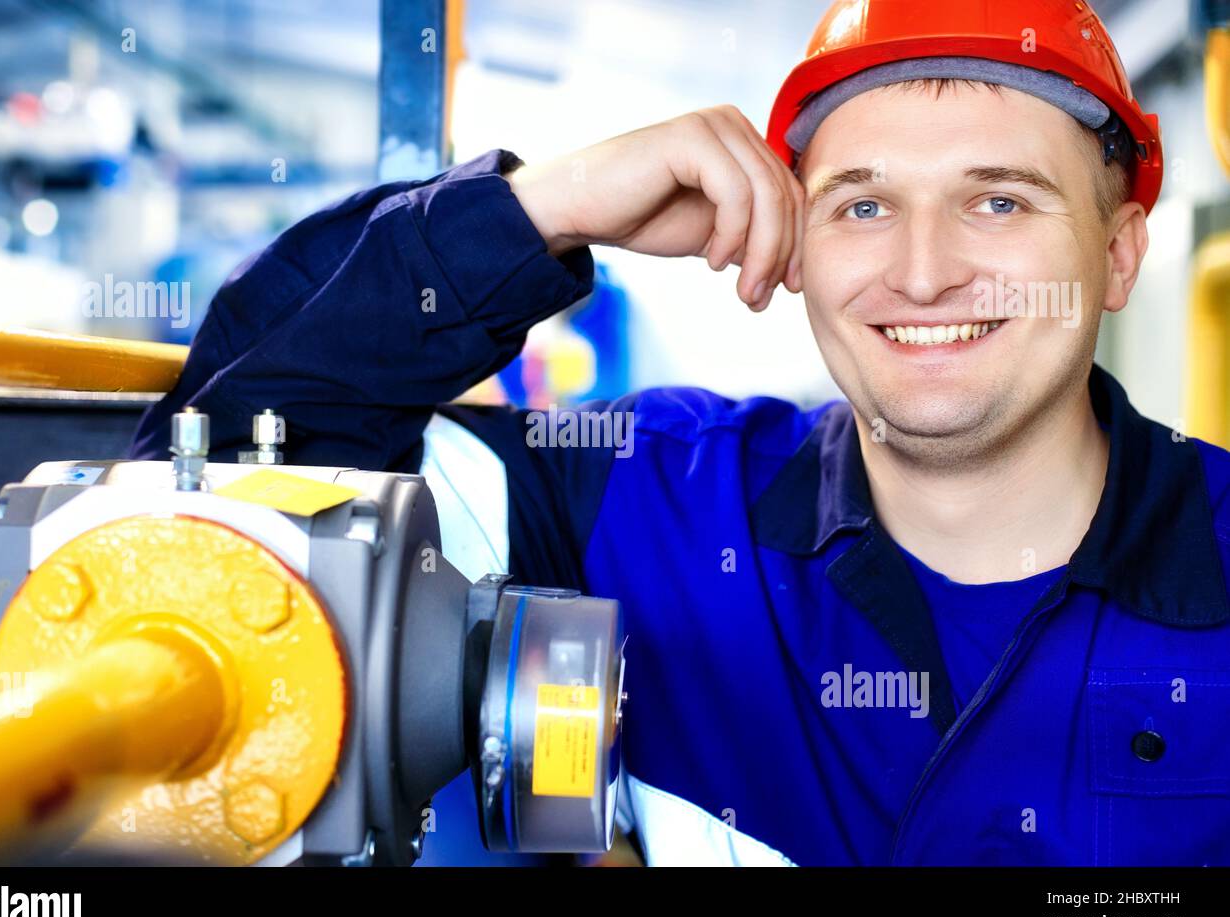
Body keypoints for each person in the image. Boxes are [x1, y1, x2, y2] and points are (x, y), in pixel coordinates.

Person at [130, 0, 1230, 865]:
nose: (923, 269)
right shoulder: (641, 500)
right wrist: (536, 211)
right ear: (793, 241)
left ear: (1121, 253)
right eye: (861, 203)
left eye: (998, 200)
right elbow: (225, 500)